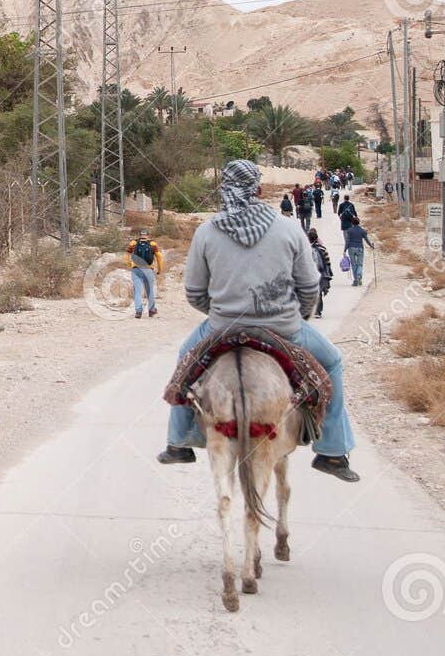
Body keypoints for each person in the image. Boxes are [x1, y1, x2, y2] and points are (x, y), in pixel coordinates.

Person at [157, 159, 358, 482]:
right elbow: (309, 286)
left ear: (223, 190)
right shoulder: (290, 229)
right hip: (284, 327)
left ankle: (179, 443)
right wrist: (297, 316)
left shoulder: (207, 231)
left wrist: (225, 311)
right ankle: (333, 452)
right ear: (260, 190)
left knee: (185, 360)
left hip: (223, 327)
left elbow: (194, 293)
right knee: (332, 362)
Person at [126, 231, 163, 318]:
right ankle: (151, 310)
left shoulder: (133, 243)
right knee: (150, 291)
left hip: (136, 270)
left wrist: (130, 265)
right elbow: (159, 256)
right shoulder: (153, 244)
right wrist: (160, 269)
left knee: (137, 291)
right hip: (149, 270)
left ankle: (138, 311)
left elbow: (126, 255)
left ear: (139, 235)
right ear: (148, 236)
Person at [307, 226, 332, 317]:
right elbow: (328, 262)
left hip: (310, 274)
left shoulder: (306, 249)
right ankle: (318, 311)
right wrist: (328, 274)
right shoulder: (323, 249)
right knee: (319, 292)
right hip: (321, 273)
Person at [343, 216, 375, 285]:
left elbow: (347, 241)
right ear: (359, 223)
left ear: (352, 223)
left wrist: (345, 249)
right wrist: (371, 246)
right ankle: (359, 274)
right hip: (360, 248)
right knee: (360, 263)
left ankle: (356, 280)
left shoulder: (349, 231)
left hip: (351, 248)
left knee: (353, 264)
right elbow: (367, 240)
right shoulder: (362, 231)